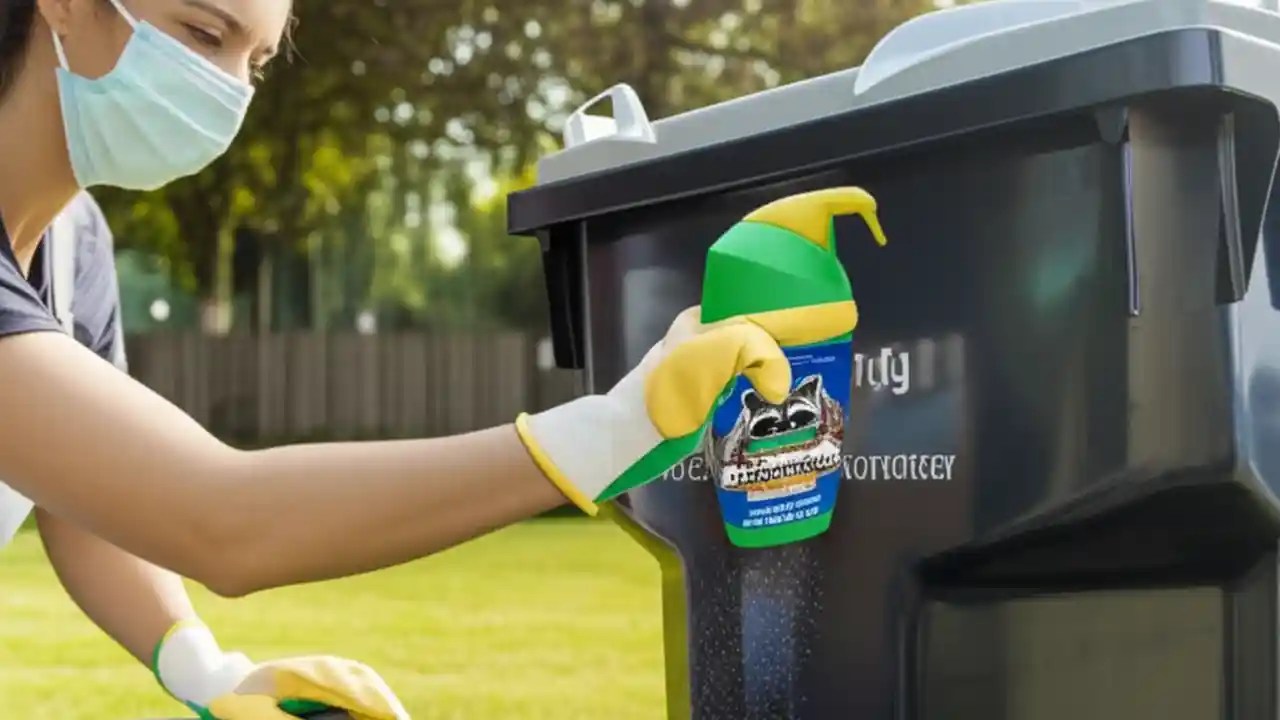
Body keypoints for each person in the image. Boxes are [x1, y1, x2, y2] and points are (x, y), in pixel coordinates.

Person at [0, 0, 856, 718]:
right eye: (201, 35)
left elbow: (90, 497)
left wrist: (203, 670)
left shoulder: (76, 247)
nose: (225, 91)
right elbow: (219, 518)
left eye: (255, 63)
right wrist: (613, 430)